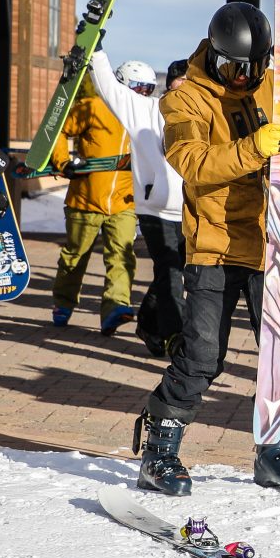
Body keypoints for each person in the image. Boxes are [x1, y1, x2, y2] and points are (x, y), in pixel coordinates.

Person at [131, 3, 280, 496]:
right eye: (232, 68)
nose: (243, 78)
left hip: (274, 244)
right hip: (216, 246)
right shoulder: (185, 100)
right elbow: (194, 163)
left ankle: (275, 448)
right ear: (214, 53)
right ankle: (159, 451)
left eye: (252, 67)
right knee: (201, 357)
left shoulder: (278, 84)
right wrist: (256, 147)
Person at [88, 53, 186, 356]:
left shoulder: (205, 115)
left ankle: (147, 322)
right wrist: (96, 53)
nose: (187, 90)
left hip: (194, 211)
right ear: (169, 85)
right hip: (156, 209)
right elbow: (111, 90)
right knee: (171, 274)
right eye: (181, 84)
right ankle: (176, 339)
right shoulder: (147, 109)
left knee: (178, 273)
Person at [51, 68, 140, 333]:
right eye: (138, 86)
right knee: (76, 256)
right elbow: (58, 131)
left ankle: (115, 307)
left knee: (122, 256)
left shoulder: (141, 114)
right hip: (85, 199)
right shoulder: (93, 106)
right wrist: (62, 161)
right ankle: (63, 304)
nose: (142, 93)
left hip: (124, 202)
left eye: (147, 88)